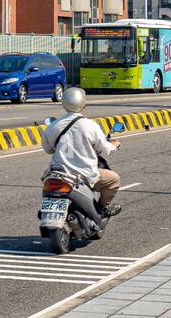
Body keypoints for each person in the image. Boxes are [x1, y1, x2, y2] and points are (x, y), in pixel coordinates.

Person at [42, 86, 122, 220]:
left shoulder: (53, 126)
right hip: (83, 175)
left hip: (59, 174)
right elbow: (104, 149)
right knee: (114, 179)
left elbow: (48, 149)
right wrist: (113, 145)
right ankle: (101, 208)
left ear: (64, 103)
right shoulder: (90, 125)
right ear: (83, 104)